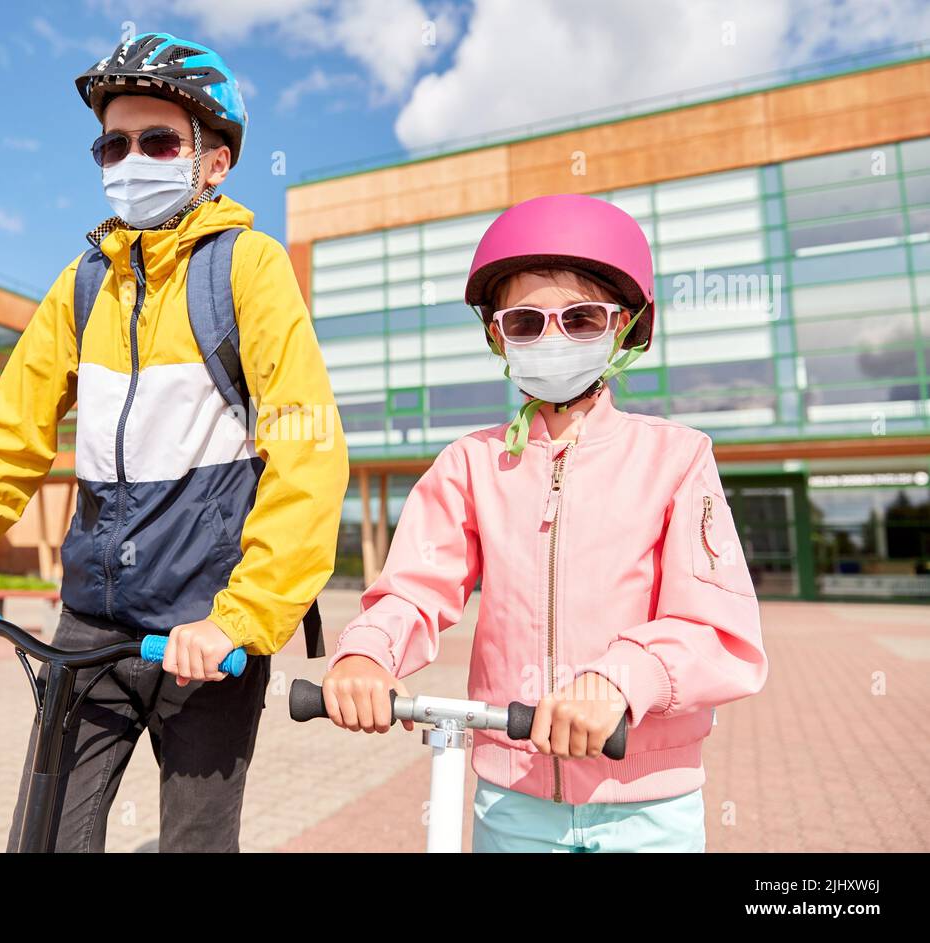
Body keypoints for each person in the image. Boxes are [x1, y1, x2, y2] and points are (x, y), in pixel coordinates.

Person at [0, 32, 348, 853]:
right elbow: (8, 438)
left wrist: (241, 619)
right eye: (114, 143)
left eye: (158, 141)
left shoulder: (247, 267)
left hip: (206, 631)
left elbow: (307, 447)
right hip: (90, 626)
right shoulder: (81, 286)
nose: (130, 158)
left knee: (195, 843)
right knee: (42, 840)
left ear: (213, 163)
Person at [321, 193, 768, 852]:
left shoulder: (677, 457)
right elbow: (415, 588)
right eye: (526, 321)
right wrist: (367, 652)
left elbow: (718, 628)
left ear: (623, 327)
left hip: (648, 802)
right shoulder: (468, 465)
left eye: (581, 318)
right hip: (513, 797)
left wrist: (622, 677)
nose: (551, 338)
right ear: (498, 335)